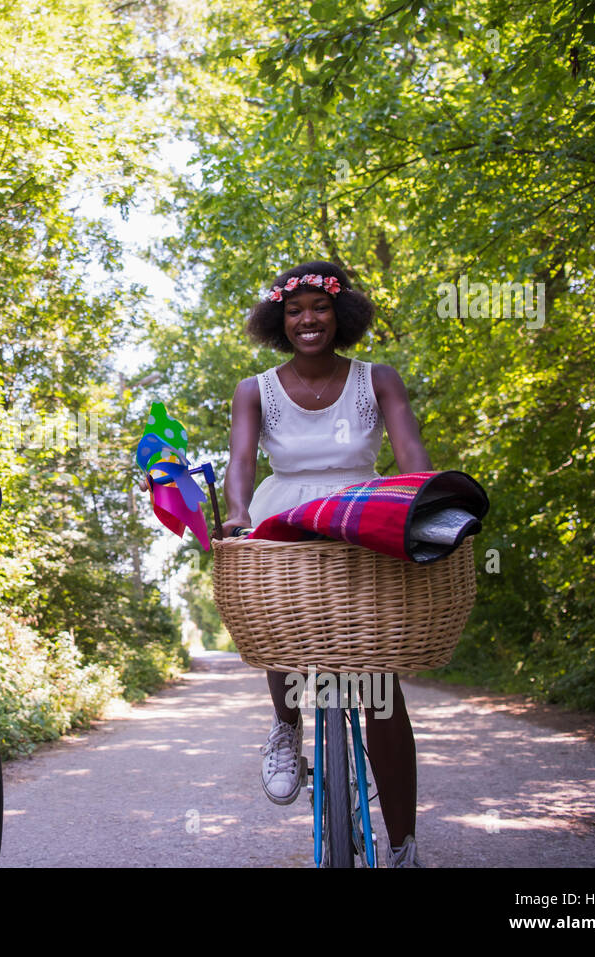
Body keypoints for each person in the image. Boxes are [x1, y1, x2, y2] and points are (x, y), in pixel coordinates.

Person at [220, 261, 430, 867]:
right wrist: (236, 513)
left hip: (362, 512)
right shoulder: (255, 388)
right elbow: (240, 462)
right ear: (278, 320)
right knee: (277, 622)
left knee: (381, 687)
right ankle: (287, 727)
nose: (307, 319)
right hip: (285, 511)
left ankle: (403, 848)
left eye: (320, 307)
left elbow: (410, 452)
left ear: (341, 316)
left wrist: (426, 500)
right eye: (295, 309)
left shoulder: (377, 379)